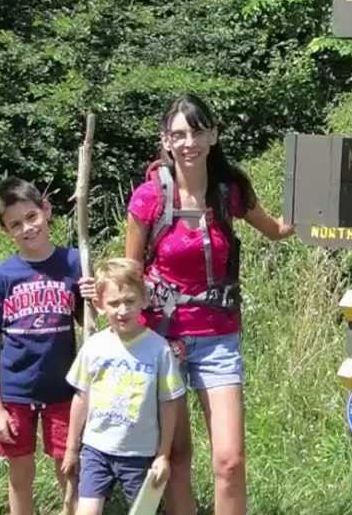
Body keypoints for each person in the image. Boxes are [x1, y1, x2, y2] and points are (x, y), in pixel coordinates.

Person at [125, 94, 294, 515]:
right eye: (179, 134)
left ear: (213, 135)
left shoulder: (228, 190)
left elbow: (276, 229)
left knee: (230, 461)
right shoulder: (149, 198)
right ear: (165, 140)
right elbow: (131, 270)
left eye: (197, 131)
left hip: (218, 338)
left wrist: (324, 202)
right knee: (177, 457)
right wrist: (106, 295)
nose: (189, 143)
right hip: (164, 338)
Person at [0, 176, 95, 515]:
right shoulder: (3, 276)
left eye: (32, 217)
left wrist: (91, 297)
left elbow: (89, 325)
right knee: (20, 475)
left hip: (64, 390)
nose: (27, 228)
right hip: (15, 392)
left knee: (70, 469)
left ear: (46, 211)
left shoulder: (75, 263)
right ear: (5, 231)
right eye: (15, 224)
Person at [61, 258, 186, 515]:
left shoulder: (158, 349)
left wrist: (163, 455)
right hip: (96, 449)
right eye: (114, 303)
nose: (122, 310)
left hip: (139, 454)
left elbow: (169, 403)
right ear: (99, 304)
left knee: (143, 512)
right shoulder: (94, 346)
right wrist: (72, 449)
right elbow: (81, 398)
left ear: (143, 299)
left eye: (129, 301)